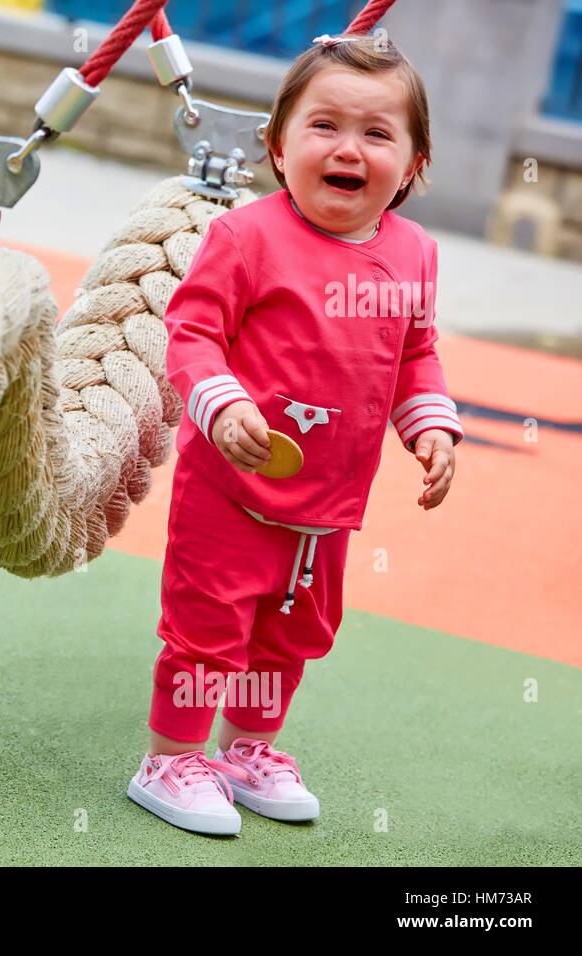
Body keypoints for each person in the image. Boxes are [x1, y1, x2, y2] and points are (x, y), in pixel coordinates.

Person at [126, 32, 464, 836]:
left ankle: (248, 750)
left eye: (378, 134)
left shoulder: (413, 254)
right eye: (325, 127)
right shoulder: (248, 237)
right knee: (207, 628)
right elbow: (193, 333)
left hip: (329, 506)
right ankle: (170, 757)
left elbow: (416, 353)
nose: (349, 148)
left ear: (413, 165)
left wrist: (432, 428)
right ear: (279, 147)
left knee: (293, 634)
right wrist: (224, 402)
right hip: (232, 491)